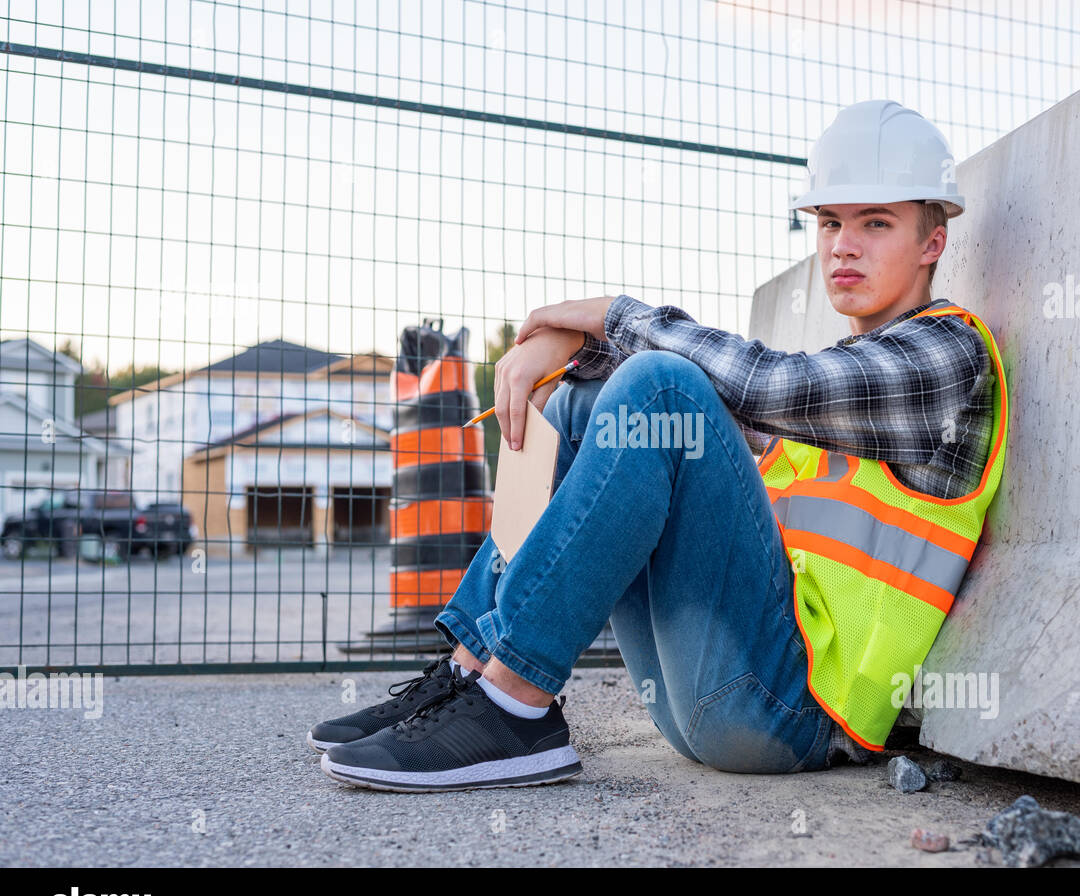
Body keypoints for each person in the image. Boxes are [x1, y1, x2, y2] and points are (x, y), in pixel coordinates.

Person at [308, 100, 1009, 792]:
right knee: (592, 404)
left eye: (875, 223)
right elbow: (717, 411)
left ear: (932, 242)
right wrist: (570, 353)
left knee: (663, 390)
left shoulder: (949, 357)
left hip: (793, 714)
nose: (841, 245)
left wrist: (609, 317)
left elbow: (762, 384)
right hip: (707, 692)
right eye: (828, 222)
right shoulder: (845, 378)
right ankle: (472, 667)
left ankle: (513, 705)